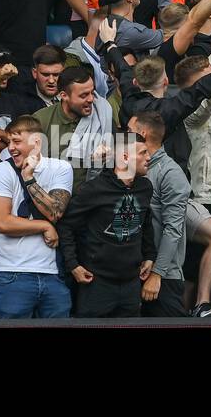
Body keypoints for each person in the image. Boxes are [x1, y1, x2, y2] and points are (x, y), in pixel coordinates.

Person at [57, 131, 156, 318]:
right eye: (143, 153)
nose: (148, 157)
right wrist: (73, 264)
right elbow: (66, 225)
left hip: (131, 283)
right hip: (96, 283)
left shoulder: (145, 188)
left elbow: (146, 222)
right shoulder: (94, 189)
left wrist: (150, 255)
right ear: (125, 158)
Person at [0, 114, 74, 318]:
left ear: (36, 142)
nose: (10, 148)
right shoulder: (1, 170)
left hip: (53, 273)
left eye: (16, 141)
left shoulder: (61, 168)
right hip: (11, 272)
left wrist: (28, 178)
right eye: (9, 142)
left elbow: (55, 212)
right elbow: (2, 222)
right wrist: (44, 227)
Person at [127, 110, 189, 317]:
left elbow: (174, 229)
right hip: (132, 271)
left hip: (163, 277)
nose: (123, 136)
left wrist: (157, 274)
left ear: (142, 134)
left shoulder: (170, 173)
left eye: (128, 131)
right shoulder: (126, 167)